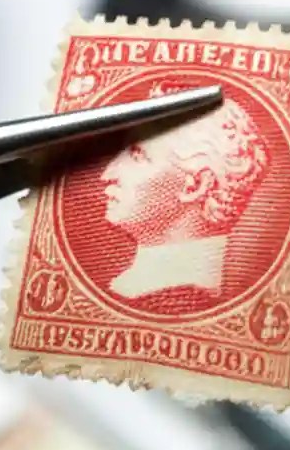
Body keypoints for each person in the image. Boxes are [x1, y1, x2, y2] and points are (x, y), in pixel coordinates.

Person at [101, 84, 269, 307]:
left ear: (195, 186)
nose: (107, 174)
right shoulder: (132, 287)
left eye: (137, 156)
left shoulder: (183, 295)